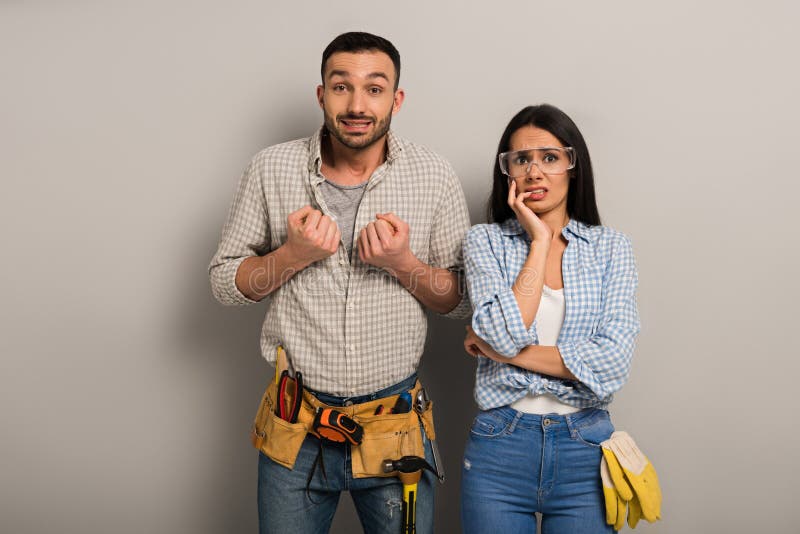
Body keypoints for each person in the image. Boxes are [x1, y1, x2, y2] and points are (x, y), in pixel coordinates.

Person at [208, 31, 471, 534]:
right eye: (341, 86)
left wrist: (402, 264)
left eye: (374, 88)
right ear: (321, 94)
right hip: (296, 430)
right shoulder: (271, 168)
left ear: (396, 99)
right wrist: (291, 256)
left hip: (395, 431)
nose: (356, 104)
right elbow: (223, 282)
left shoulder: (433, 174)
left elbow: (460, 300)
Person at [460, 104, 641, 533]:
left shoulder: (610, 249)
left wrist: (502, 352)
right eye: (521, 159)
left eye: (550, 157)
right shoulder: (484, 242)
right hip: (499, 449)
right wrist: (539, 242)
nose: (534, 171)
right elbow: (502, 333)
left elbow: (612, 363)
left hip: (586, 447)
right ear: (508, 173)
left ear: (573, 166)